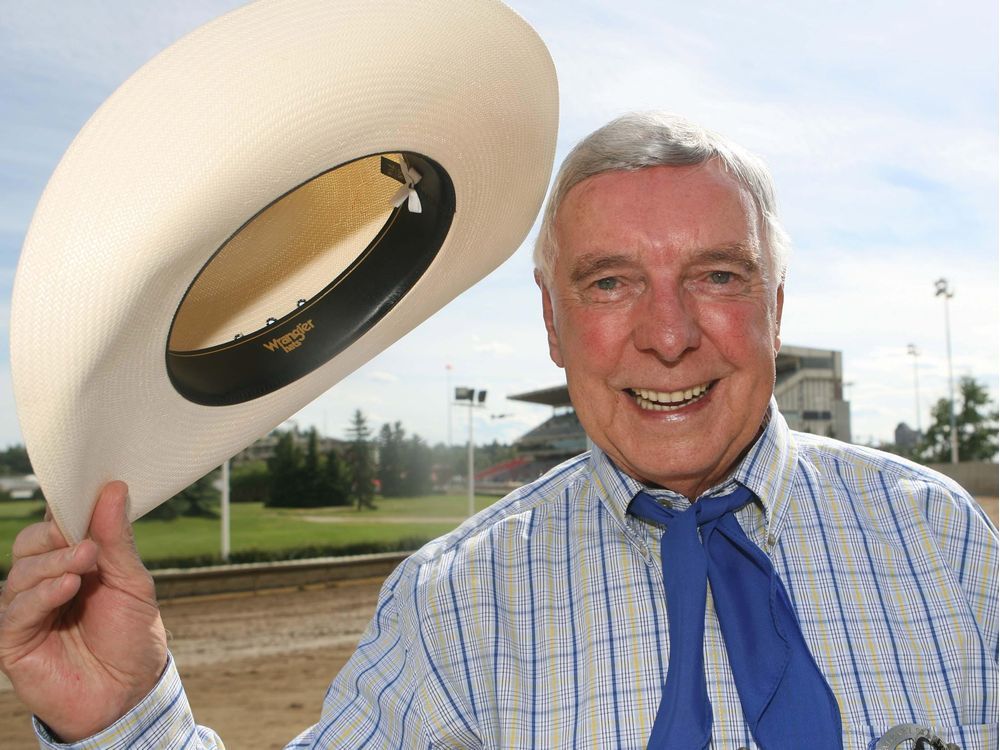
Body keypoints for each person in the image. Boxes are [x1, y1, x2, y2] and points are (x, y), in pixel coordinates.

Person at [1, 112, 996, 749]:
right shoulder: (454, 605)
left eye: (716, 276)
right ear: (553, 322)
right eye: (608, 282)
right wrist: (120, 723)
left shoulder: (940, 541)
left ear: (775, 308)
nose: (667, 334)